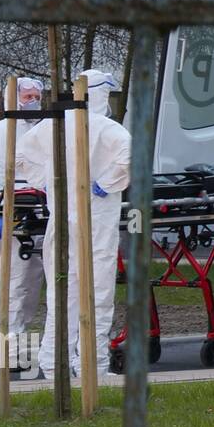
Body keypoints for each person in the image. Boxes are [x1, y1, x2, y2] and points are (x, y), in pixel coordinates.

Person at [18, 69, 131, 378]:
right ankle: (92, 366)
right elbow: (131, 157)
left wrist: (50, 182)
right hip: (98, 223)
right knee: (98, 294)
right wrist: (107, 184)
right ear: (103, 94)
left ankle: (54, 364)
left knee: (61, 293)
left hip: (64, 222)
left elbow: (22, 158)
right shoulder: (110, 130)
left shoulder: (54, 127)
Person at [0, 78, 46, 369]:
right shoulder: (1, 132)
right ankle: (1, 351)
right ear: (14, 99)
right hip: (8, 213)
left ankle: (18, 348)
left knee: (30, 287)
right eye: (27, 95)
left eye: (36, 95)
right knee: (11, 285)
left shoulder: (42, 128)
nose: (32, 100)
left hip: (37, 213)